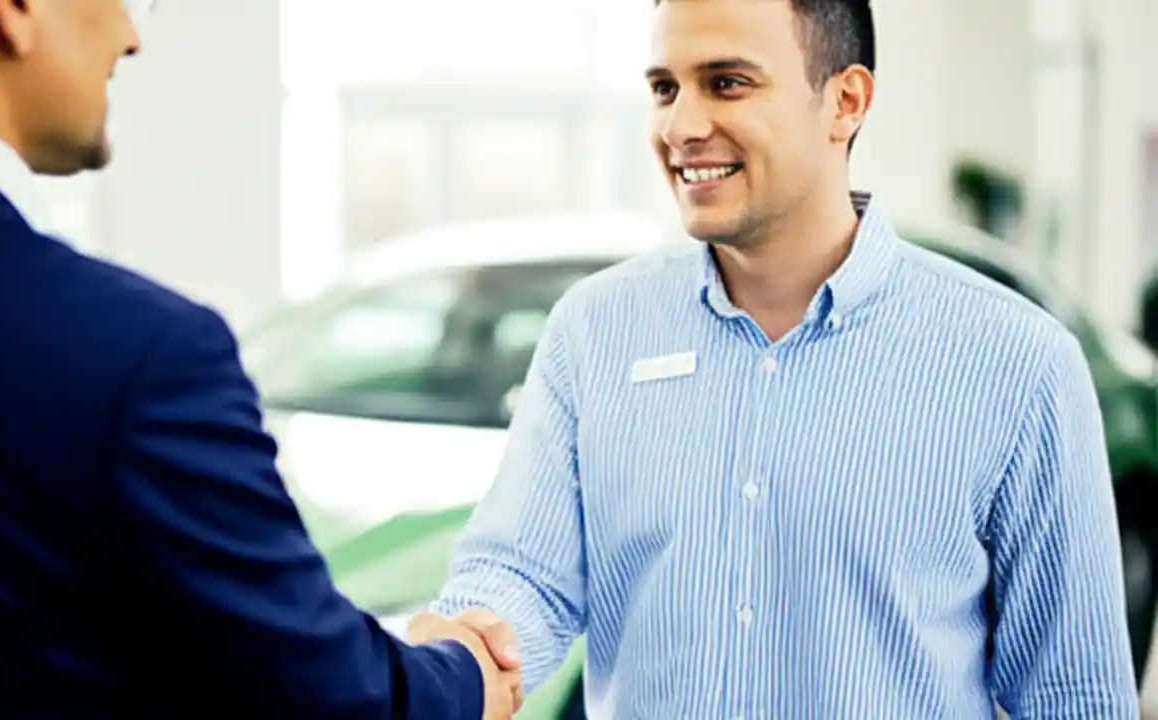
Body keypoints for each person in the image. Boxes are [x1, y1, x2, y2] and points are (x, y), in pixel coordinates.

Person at [409, 0, 1139, 716]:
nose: (681, 126)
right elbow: (524, 578)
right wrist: (461, 657)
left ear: (845, 101)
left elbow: (1071, 696)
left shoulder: (1018, 362)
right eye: (665, 87)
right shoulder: (593, 333)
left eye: (727, 82)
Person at [0, 1, 517, 717]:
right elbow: (327, 698)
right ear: (13, 10)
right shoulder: (134, 354)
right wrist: (463, 678)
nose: (131, 35)